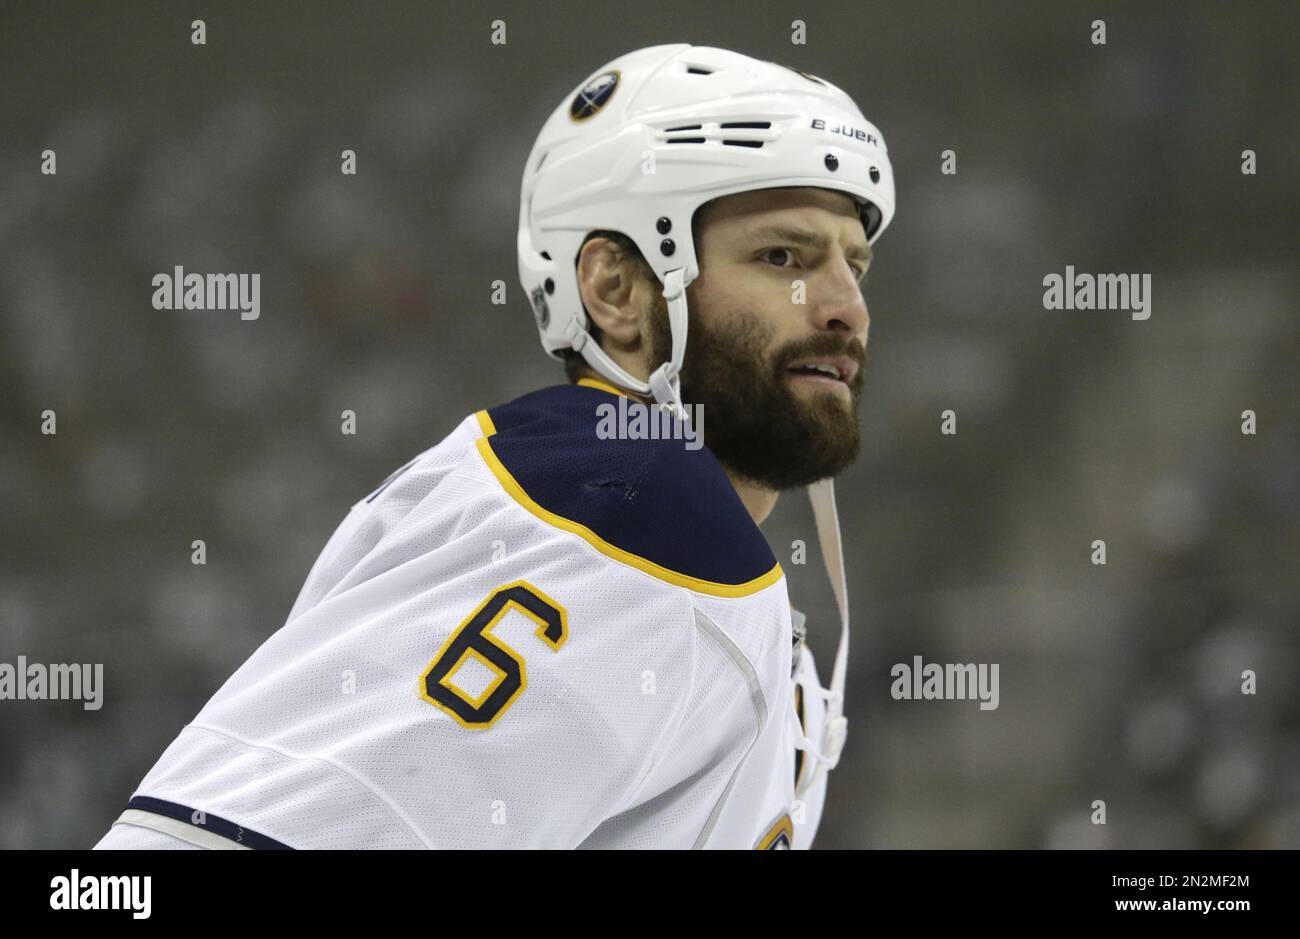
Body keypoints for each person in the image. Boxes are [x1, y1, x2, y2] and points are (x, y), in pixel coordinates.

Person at [94, 42, 895, 850]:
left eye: (854, 264)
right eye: (783, 256)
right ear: (615, 291)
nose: (847, 308)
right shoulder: (630, 504)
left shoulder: (634, 509)